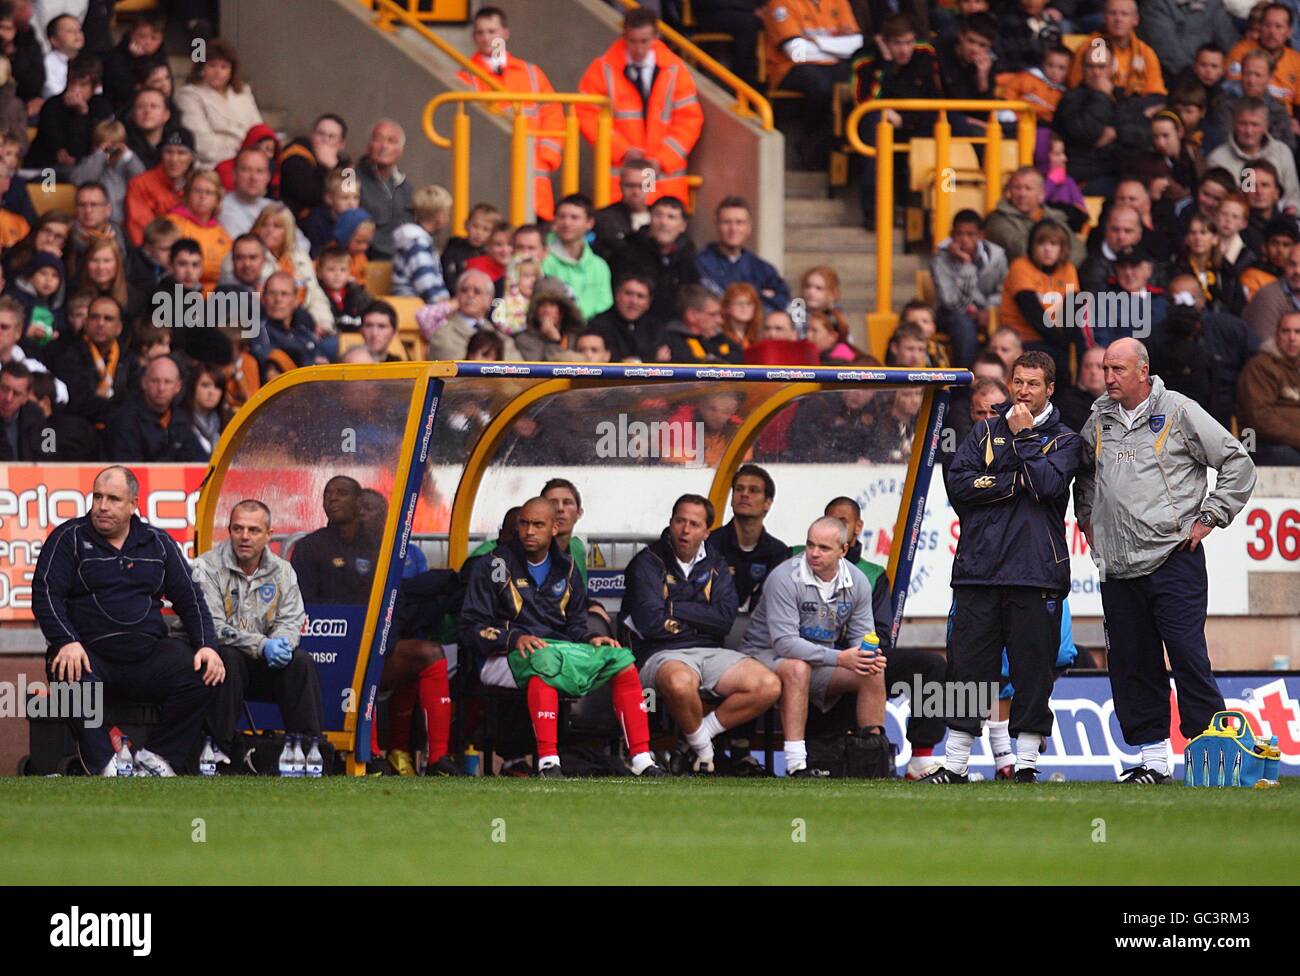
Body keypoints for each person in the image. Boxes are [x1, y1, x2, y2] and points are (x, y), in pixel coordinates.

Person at [1073, 338, 1256, 783]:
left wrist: (1210, 516)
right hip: (1117, 564)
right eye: (1104, 368)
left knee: (1187, 653)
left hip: (1174, 555)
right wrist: (1087, 520)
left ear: (1142, 371)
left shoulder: (1177, 410)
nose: (1108, 377)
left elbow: (1237, 460)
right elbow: (1085, 475)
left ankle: (1211, 751)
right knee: (1131, 662)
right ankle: (1154, 760)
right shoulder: (1099, 418)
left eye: (1117, 369)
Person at [922, 351, 1082, 784]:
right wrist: (1014, 482)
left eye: (1033, 384)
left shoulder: (1066, 439)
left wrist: (1025, 438)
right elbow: (960, 486)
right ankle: (954, 764)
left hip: (1035, 572)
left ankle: (1026, 764)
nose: (1024, 391)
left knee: (1033, 670)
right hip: (979, 568)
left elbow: (1049, 484)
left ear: (1050, 389)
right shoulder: (982, 431)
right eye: (1018, 382)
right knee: (967, 668)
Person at [32, 465, 223, 776]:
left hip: (147, 657)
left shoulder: (157, 543)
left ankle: (157, 758)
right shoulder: (69, 538)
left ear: (133, 504)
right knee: (65, 667)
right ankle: (105, 763)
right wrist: (66, 640)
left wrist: (207, 645)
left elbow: (190, 599)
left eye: (113, 499)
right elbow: (45, 595)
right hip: (90, 654)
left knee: (206, 670)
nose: (102, 506)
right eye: (97, 497)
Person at [459, 496, 668, 778]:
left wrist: (592, 638)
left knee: (621, 659)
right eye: (524, 524)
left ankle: (642, 759)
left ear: (555, 527)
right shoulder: (493, 565)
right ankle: (548, 762)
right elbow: (471, 626)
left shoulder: (567, 568)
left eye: (538, 525)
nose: (529, 531)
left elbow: (575, 625)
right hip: (501, 656)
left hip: (558, 651)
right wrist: (513, 638)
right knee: (545, 661)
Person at [622, 494, 780, 774]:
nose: (685, 530)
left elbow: (723, 621)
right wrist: (698, 617)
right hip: (659, 653)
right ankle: (705, 752)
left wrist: (673, 607)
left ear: (707, 531)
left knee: (768, 685)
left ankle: (694, 738)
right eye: (680, 521)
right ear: (670, 523)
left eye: (694, 524)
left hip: (709, 652)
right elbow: (650, 622)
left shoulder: (716, 564)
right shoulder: (647, 562)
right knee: (680, 682)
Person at [741, 516, 889, 777]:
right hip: (763, 657)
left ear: (843, 550)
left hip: (817, 660)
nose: (813, 553)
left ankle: (871, 759)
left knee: (872, 670)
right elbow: (785, 644)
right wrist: (841, 658)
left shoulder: (858, 581)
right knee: (798, 668)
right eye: (810, 545)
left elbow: (862, 636)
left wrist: (868, 656)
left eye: (823, 548)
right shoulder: (785, 577)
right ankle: (797, 764)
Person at [193, 498, 322, 770]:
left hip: (263, 665)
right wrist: (263, 645)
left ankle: (308, 750)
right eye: (237, 529)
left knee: (300, 662)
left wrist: (283, 643)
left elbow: (291, 618)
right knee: (226, 656)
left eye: (253, 530)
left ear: (268, 535)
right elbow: (213, 626)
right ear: (229, 531)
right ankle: (220, 750)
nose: (244, 537)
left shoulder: (283, 571)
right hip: (223, 666)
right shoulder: (206, 567)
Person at [577, 8, 704, 205]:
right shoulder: (603, 69)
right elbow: (587, 115)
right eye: (632, 41)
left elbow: (689, 120)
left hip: (662, 178)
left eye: (644, 41)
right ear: (624, 37)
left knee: (659, 229)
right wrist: (622, 150)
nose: (638, 48)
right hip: (624, 176)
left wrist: (662, 159)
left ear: (656, 37)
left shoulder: (674, 69)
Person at [456, 6, 563, 221]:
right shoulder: (464, 78)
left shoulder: (531, 73)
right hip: (492, 179)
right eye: (480, 32)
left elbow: (554, 118)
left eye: (492, 31)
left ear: (506, 33)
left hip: (534, 181)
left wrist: (546, 158)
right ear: (473, 36)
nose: (486, 38)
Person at [760, 0, 862, 168]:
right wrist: (837, 49)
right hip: (789, 68)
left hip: (831, 66)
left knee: (855, 83)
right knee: (820, 87)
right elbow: (796, 53)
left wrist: (817, 43)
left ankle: (839, 151)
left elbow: (856, 45)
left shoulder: (838, 2)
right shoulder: (781, 3)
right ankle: (811, 143)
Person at [707, 464, 791, 614]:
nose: (744, 494)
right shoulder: (709, 544)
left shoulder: (778, 553)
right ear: (732, 499)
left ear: (768, 503)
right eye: (739, 489)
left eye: (753, 490)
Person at [932, 209, 1007, 367]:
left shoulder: (997, 256)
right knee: (963, 325)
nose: (964, 240)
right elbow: (951, 302)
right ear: (952, 234)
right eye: (959, 234)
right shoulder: (941, 259)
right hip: (952, 313)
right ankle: (964, 384)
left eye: (970, 234)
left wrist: (988, 309)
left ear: (981, 235)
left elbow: (1003, 291)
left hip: (988, 311)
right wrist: (966, 265)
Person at [173, 39, 262, 169]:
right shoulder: (189, 95)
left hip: (250, 161)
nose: (218, 72)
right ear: (202, 67)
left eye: (224, 67)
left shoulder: (243, 92)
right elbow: (201, 143)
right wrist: (242, 151)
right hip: (213, 164)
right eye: (212, 65)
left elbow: (258, 130)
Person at [290, 475, 379, 606]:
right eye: (327, 495)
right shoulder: (308, 546)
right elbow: (301, 600)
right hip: (324, 624)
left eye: (341, 493)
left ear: (359, 502)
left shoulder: (378, 546)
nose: (333, 498)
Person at [609, 194, 699, 324]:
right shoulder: (627, 254)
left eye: (671, 217)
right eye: (658, 215)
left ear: (683, 226)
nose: (664, 223)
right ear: (650, 219)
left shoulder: (689, 258)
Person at [695, 196, 791, 313]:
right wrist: (759, 295)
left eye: (739, 223)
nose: (733, 229)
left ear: (748, 228)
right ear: (717, 225)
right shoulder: (700, 264)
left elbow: (782, 299)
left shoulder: (762, 268)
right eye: (727, 222)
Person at [1204, 98, 1300, 212]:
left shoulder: (1282, 152)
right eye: (1243, 124)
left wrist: (1286, 219)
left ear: (1266, 126)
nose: (1249, 131)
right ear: (1234, 124)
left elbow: (1293, 196)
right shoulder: (1217, 159)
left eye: (1255, 125)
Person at [106, 353, 205, 462]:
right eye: (155, 381)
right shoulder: (125, 419)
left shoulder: (182, 420)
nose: (161, 388)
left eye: (167, 382)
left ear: (178, 387)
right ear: (144, 383)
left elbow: (197, 461)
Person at [27, 52, 113, 174]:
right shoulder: (52, 106)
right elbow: (65, 152)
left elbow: (93, 147)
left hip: (87, 172)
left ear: (94, 87)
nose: (75, 90)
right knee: (49, 185)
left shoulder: (102, 108)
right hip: (47, 170)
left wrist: (82, 113)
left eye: (83, 85)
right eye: (72, 83)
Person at [1236, 310, 1300, 463]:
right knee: (1288, 458)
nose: (1292, 338)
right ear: (1277, 335)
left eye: (1298, 332)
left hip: (1292, 444)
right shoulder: (1260, 366)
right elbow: (1259, 418)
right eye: (1286, 331)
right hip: (1258, 443)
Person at [984, 167, 1081, 265]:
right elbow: (1021, 251)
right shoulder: (997, 221)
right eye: (1017, 188)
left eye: (1028, 188)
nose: (1022, 194)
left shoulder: (1055, 217)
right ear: (1009, 192)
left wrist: (1062, 270)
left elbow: (1078, 251)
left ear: (1041, 194)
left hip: (1058, 277)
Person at [1066, 0, 1166, 95]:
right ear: (1104, 18)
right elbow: (1075, 87)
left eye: (1124, 14)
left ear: (1136, 20)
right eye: (1112, 13)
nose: (1118, 19)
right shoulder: (1088, 48)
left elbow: (1156, 93)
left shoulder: (1146, 52)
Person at [420, 268, 520, 361]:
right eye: (464, 290)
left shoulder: (501, 337)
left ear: (489, 299)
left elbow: (519, 369)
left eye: (477, 291)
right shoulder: (443, 335)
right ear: (457, 296)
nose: (470, 295)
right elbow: (458, 373)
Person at [541, 193, 612, 319]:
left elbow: (604, 308)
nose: (566, 223)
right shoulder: (542, 259)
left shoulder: (599, 266)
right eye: (561, 216)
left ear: (589, 223)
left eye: (574, 217)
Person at [124, 127, 194, 246]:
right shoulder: (141, 184)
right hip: (154, 254)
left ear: (192, 157)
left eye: (181, 153)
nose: (174, 159)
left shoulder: (197, 185)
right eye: (169, 152)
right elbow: (139, 230)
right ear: (161, 154)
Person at [356, 119, 413, 261]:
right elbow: (343, 214)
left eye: (391, 141)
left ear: (401, 151)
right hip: (362, 256)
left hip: (397, 259)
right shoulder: (348, 174)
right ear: (369, 145)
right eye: (378, 139)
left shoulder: (404, 184)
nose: (384, 146)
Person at [167, 170, 231, 293]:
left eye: (209, 192)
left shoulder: (222, 235)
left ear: (217, 199)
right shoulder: (172, 223)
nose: (203, 197)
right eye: (197, 191)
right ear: (187, 194)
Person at [278, 113, 348, 220]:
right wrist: (325, 168)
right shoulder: (296, 155)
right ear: (312, 135)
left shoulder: (344, 163)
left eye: (331, 136)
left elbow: (352, 194)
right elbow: (307, 196)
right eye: (320, 134)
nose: (325, 140)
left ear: (341, 144)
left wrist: (335, 166)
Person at [588, 272, 665, 362]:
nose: (633, 301)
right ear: (617, 295)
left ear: (648, 303)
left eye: (640, 296)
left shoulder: (656, 328)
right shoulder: (598, 325)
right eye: (628, 293)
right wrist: (650, 359)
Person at [664, 282, 742, 363]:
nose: (720, 320)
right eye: (713, 315)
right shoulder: (671, 343)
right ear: (692, 315)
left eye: (720, 314)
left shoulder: (722, 339)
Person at [592, 161, 651, 261]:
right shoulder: (602, 219)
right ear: (620, 185)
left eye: (642, 186)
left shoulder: (661, 218)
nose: (636, 191)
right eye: (630, 185)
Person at [1056, 343, 1107, 430]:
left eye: (1100, 366)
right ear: (1080, 371)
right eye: (1088, 366)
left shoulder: (1121, 401)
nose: (1093, 371)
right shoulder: (1067, 404)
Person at [0, 360, 44, 459]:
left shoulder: (36, 414)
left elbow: (49, 451)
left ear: (26, 397)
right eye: (4, 389)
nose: (8, 398)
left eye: (16, 393)